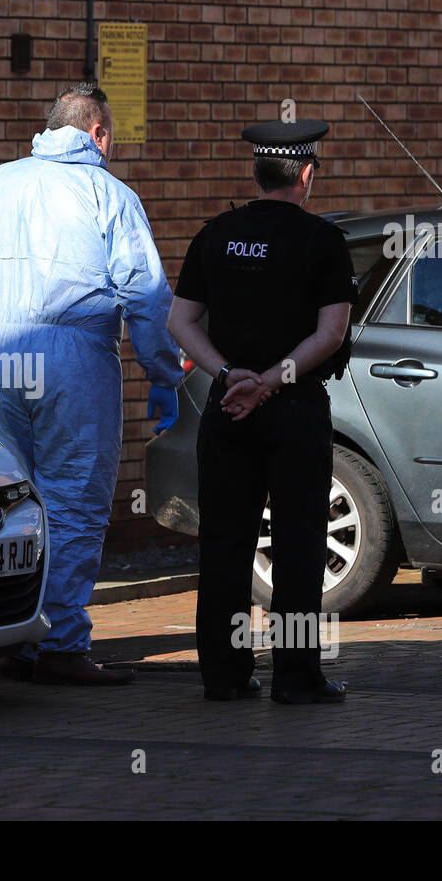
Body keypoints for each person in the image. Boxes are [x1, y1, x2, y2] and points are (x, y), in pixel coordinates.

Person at [0, 83, 183, 686]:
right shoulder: (108, 193)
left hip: (4, 355)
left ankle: (18, 637)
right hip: (73, 356)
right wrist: (164, 373)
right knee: (74, 502)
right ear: (98, 133)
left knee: (18, 501)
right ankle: (60, 645)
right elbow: (146, 295)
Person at [167, 118, 357, 705]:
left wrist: (230, 376)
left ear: (257, 172)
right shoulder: (321, 241)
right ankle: (297, 679)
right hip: (294, 409)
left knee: (225, 542)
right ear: (305, 173)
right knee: (299, 544)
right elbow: (331, 334)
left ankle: (223, 675)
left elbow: (179, 322)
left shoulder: (216, 234)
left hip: (227, 408)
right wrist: (273, 382)